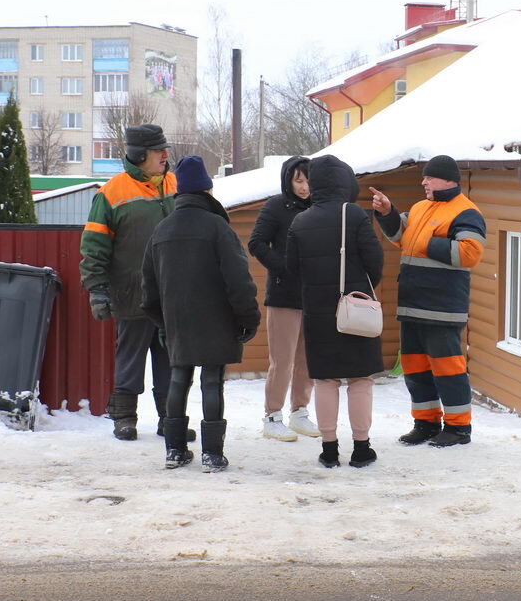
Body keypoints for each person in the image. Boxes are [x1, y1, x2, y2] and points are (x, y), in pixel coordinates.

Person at [140, 155, 260, 471]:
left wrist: (163, 322)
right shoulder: (217, 227)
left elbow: (148, 289)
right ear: (207, 191)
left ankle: (175, 451)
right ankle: (213, 454)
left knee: (178, 379)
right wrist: (248, 317)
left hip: (177, 320)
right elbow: (238, 279)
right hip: (217, 319)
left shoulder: (162, 229)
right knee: (211, 380)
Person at [369, 154, 486, 447]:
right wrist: (387, 212)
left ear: (448, 179)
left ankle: (459, 429)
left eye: (428, 177)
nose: (423, 182)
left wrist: (423, 243)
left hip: (443, 308)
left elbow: (469, 254)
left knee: (448, 370)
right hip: (412, 304)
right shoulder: (421, 208)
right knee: (415, 368)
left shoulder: (467, 212)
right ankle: (426, 423)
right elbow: (399, 235)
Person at [286, 155, 384, 468]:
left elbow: (291, 269)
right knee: (360, 380)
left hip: (317, 312)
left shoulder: (300, 220)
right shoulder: (353, 214)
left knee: (325, 380)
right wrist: (362, 289)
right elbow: (375, 260)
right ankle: (361, 448)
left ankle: (329, 449)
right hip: (354, 308)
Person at [80, 124, 177, 441]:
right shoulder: (111, 193)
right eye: (157, 150)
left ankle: (170, 419)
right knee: (131, 360)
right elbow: (94, 246)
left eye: (165, 149)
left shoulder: (177, 184)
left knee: (171, 361)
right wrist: (97, 289)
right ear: (139, 156)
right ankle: (124, 418)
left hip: (171, 297)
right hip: (131, 293)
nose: (165, 155)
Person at [247, 155, 321, 442]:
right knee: (283, 360)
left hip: (313, 294)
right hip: (284, 294)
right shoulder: (276, 206)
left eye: (308, 180)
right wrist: (283, 267)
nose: (304, 187)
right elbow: (256, 242)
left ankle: (300, 411)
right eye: (298, 180)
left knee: (308, 358)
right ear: (288, 181)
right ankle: (272, 415)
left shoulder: (319, 207)